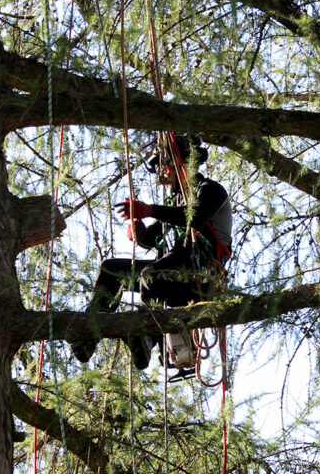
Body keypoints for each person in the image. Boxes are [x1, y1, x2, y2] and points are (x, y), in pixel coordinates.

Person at [70, 133, 232, 370]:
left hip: (195, 276)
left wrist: (149, 209)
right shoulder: (176, 200)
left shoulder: (210, 190)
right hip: (169, 272)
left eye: (164, 166)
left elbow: (196, 217)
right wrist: (141, 234)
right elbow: (157, 238)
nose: (162, 173)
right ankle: (90, 332)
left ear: (182, 162)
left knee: (151, 275)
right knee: (112, 269)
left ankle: (147, 336)